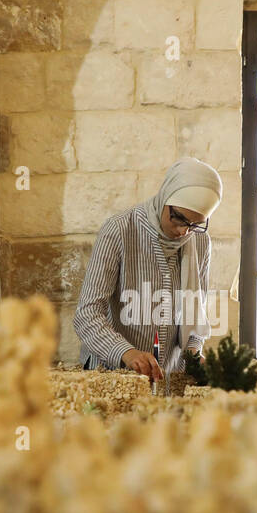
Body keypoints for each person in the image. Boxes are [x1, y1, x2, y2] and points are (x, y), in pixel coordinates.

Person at [74, 156, 221, 384]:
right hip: (111, 376)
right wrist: (128, 353)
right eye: (179, 218)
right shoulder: (119, 230)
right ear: (166, 195)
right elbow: (87, 314)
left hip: (167, 379)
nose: (183, 231)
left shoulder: (200, 242)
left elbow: (195, 313)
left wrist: (194, 354)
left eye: (194, 225)